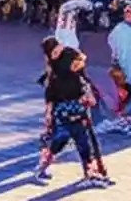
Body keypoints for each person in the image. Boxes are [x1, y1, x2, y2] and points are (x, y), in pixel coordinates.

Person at [33, 37, 111, 187]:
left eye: (57, 50)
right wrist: (48, 113)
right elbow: (50, 94)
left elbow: (82, 66)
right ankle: (42, 167)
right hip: (63, 111)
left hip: (78, 108)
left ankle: (90, 173)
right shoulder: (53, 71)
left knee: (84, 142)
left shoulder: (70, 57)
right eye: (53, 53)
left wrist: (88, 95)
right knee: (60, 141)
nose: (56, 54)